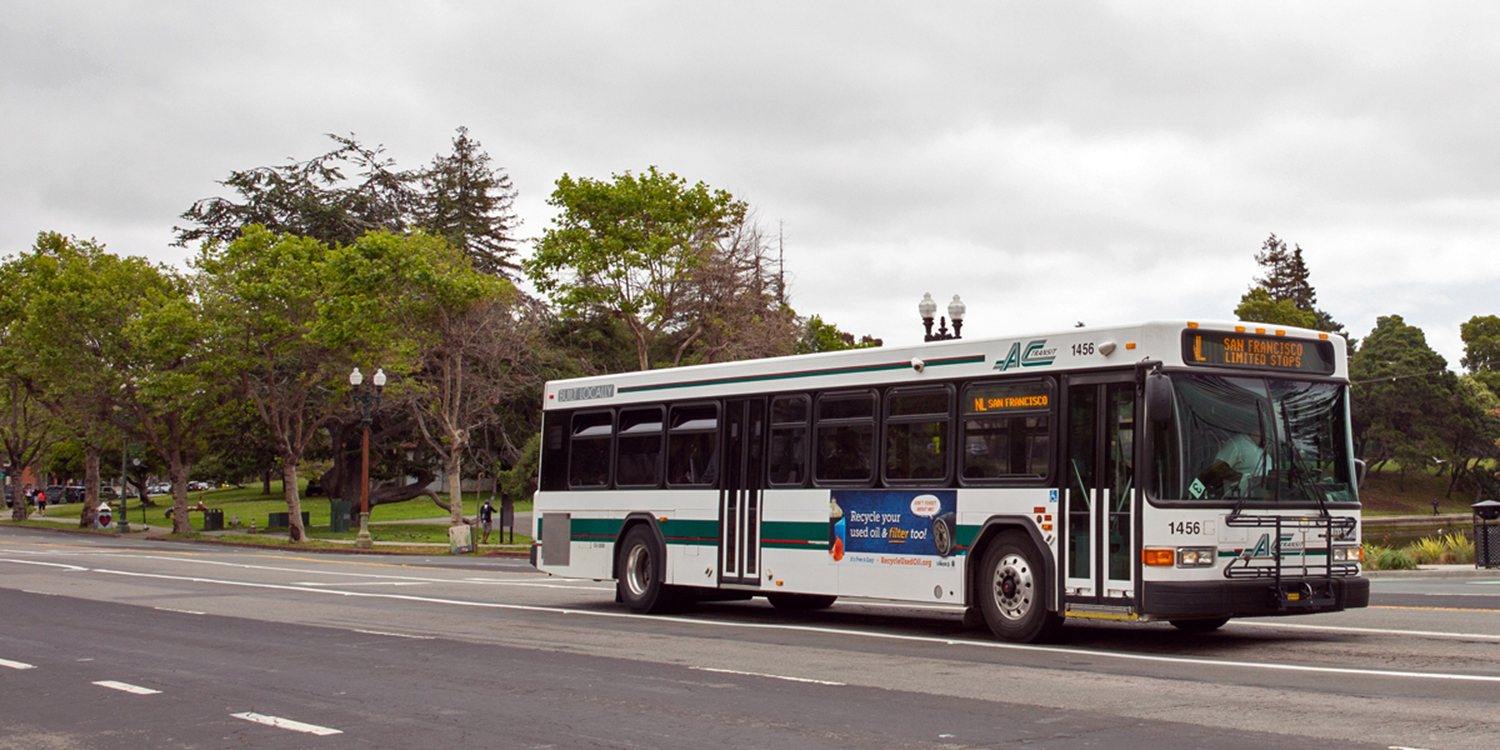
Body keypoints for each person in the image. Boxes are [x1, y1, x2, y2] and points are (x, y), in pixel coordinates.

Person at [1198, 428, 1266, 498]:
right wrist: (1243, 479)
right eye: (1263, 429)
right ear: (1253, 431)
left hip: (1266, 502)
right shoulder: (1238, 444)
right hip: (1239, 502)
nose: (1265, 434)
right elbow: (1217, 468)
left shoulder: (1265, 449)